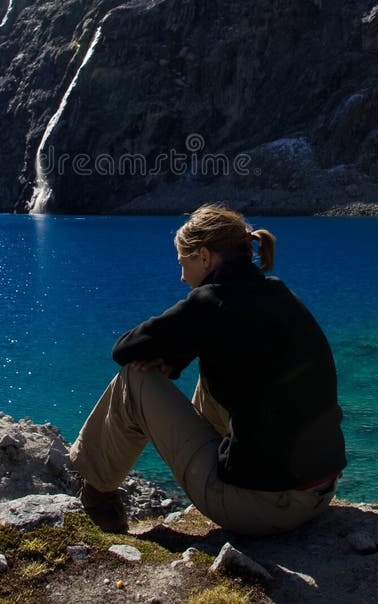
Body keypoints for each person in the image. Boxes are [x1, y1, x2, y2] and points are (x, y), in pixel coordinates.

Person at [69, 203, 346, 536]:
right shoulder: (278, 291)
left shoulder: (211, 301)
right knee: (216, 367)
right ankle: (216, 459)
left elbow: (125, 349)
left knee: (135, 378)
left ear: (203, 257)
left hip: (262, 507)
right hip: (319, 493)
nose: (181, 276)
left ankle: (98, 497)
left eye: (182, 263)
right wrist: (175, 357)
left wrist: (169, 356)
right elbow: (223, 336)